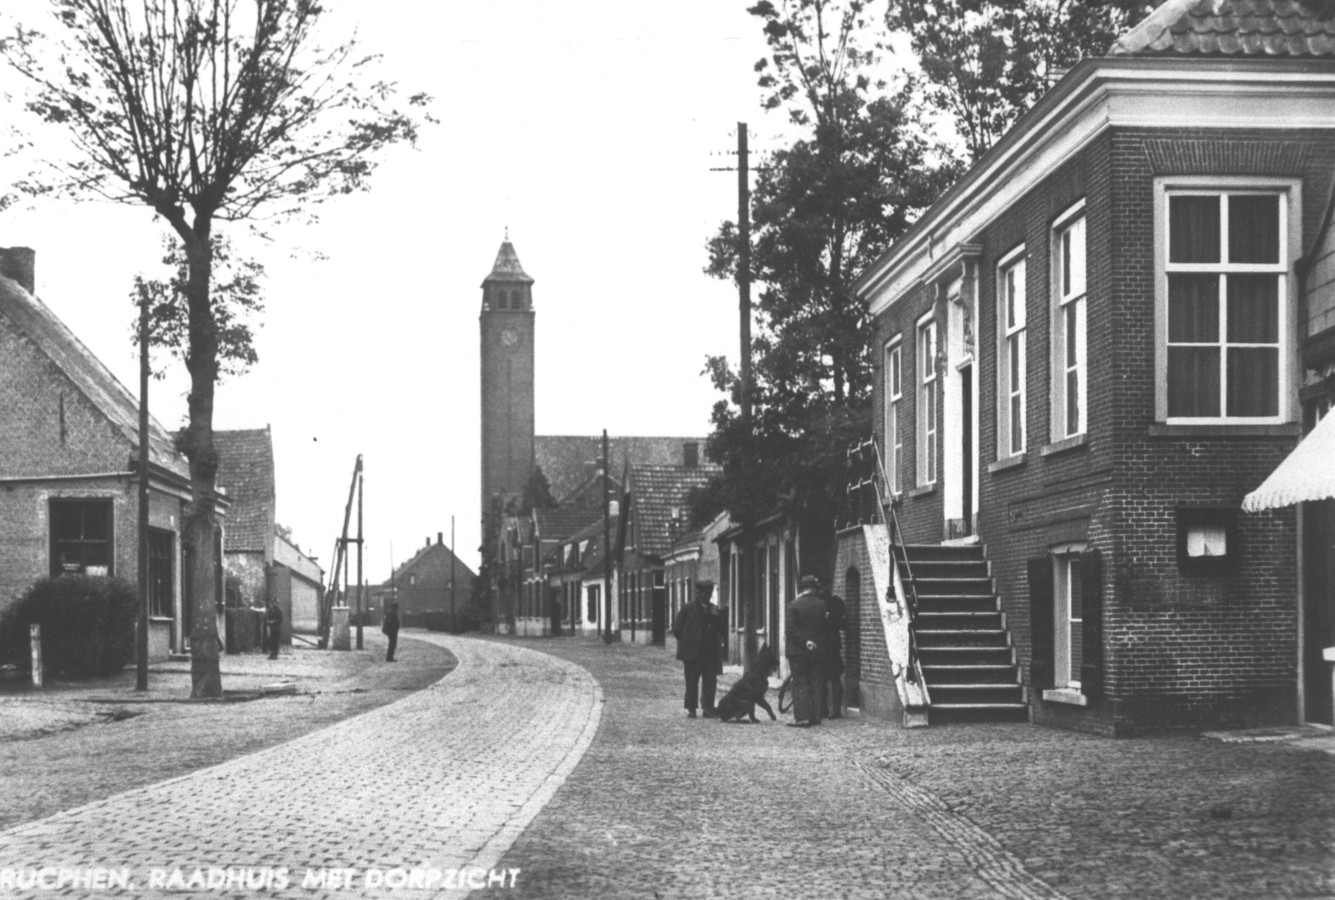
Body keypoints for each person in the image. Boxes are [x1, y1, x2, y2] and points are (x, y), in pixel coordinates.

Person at [672, 579, 723, 718]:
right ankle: (691, 708)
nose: (707, 596)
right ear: (697, 593)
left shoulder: (714, 609)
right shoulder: (688, 608)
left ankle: (707, 709)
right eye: (704, 593)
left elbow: (721, 629)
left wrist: (717, 617)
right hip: (693, 653)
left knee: (710, 681)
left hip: (710, 652)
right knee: (691, 682)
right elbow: (677, 628)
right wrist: (687, 641)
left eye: (709, 594)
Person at [785, 575, 828, 727]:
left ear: (802, 588)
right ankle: (816, 716)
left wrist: (805, 642)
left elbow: (791, 629)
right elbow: (826, 627)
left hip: (798, 651)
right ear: (814, 589)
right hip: (818, 650)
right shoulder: (822, 605)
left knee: (800, 682)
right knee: (817, 682)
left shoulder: (794, 605)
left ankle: (803, 717)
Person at [821, 592, 846, 720]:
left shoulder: (835, 603)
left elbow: (842, 623)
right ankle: (824, 709)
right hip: (821, 647)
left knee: (834, 678)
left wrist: (828, 620)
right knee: (822, 679)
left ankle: (836, 709)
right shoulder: (817, 603)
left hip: (831, 647)